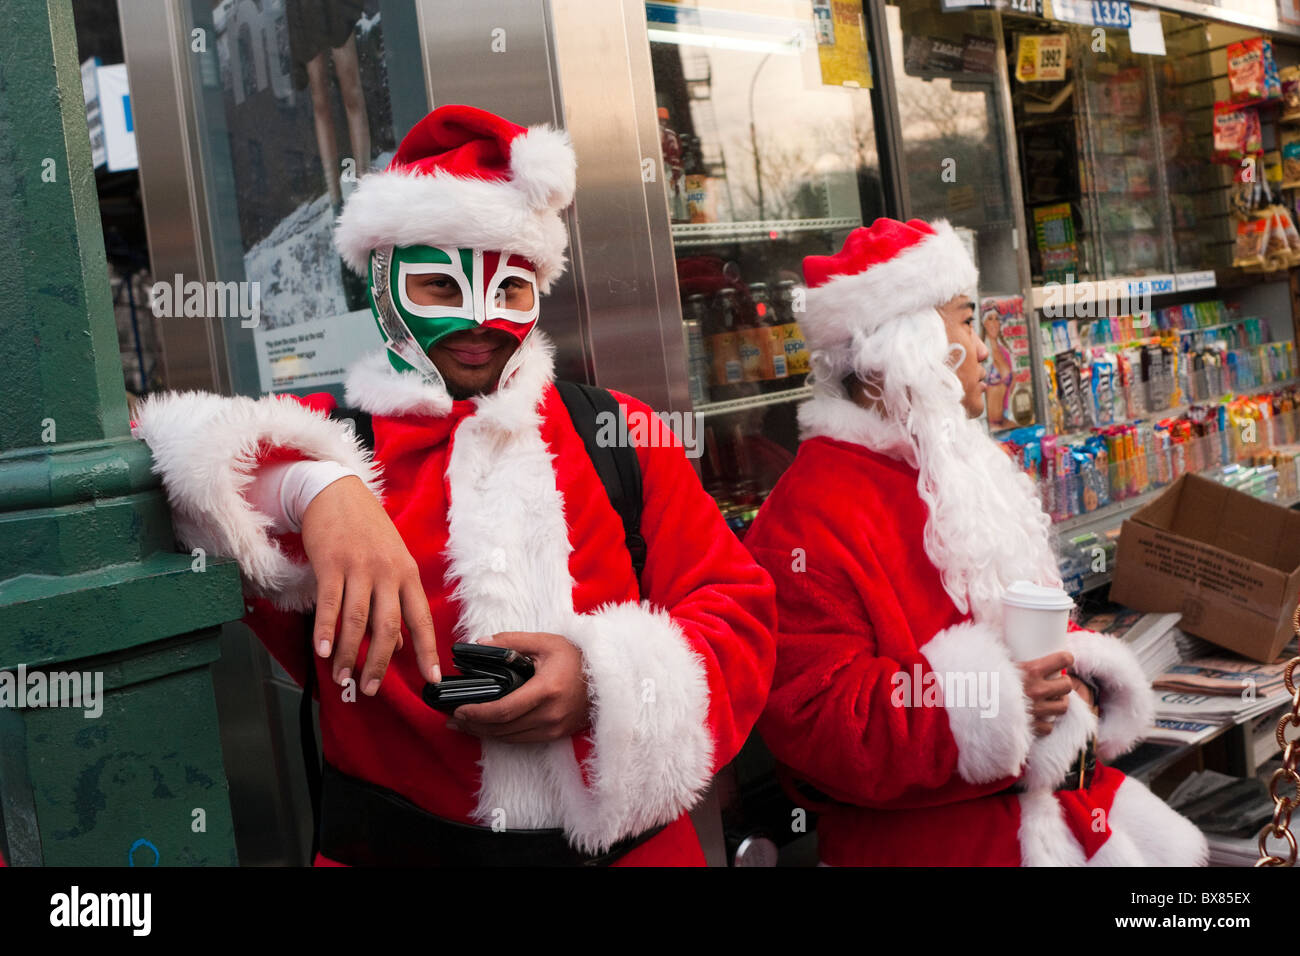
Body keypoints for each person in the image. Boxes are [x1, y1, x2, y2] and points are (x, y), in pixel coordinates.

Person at [132, 105, 776, 866]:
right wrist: (318, 490)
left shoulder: (620, 434)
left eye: (508, 289)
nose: (480, 319)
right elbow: (148, 453)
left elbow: (738, 612)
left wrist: (606, 684)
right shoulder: (326, 442)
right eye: (441, 285)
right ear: (382, 286)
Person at [743, 218, 1205, 866]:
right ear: (906, 345)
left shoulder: (951, 465)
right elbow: (817, 723)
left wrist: (1073, 680)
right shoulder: (805, 518)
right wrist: (996, 700)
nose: (987, 350)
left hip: (1054, 820)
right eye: (966, 321)